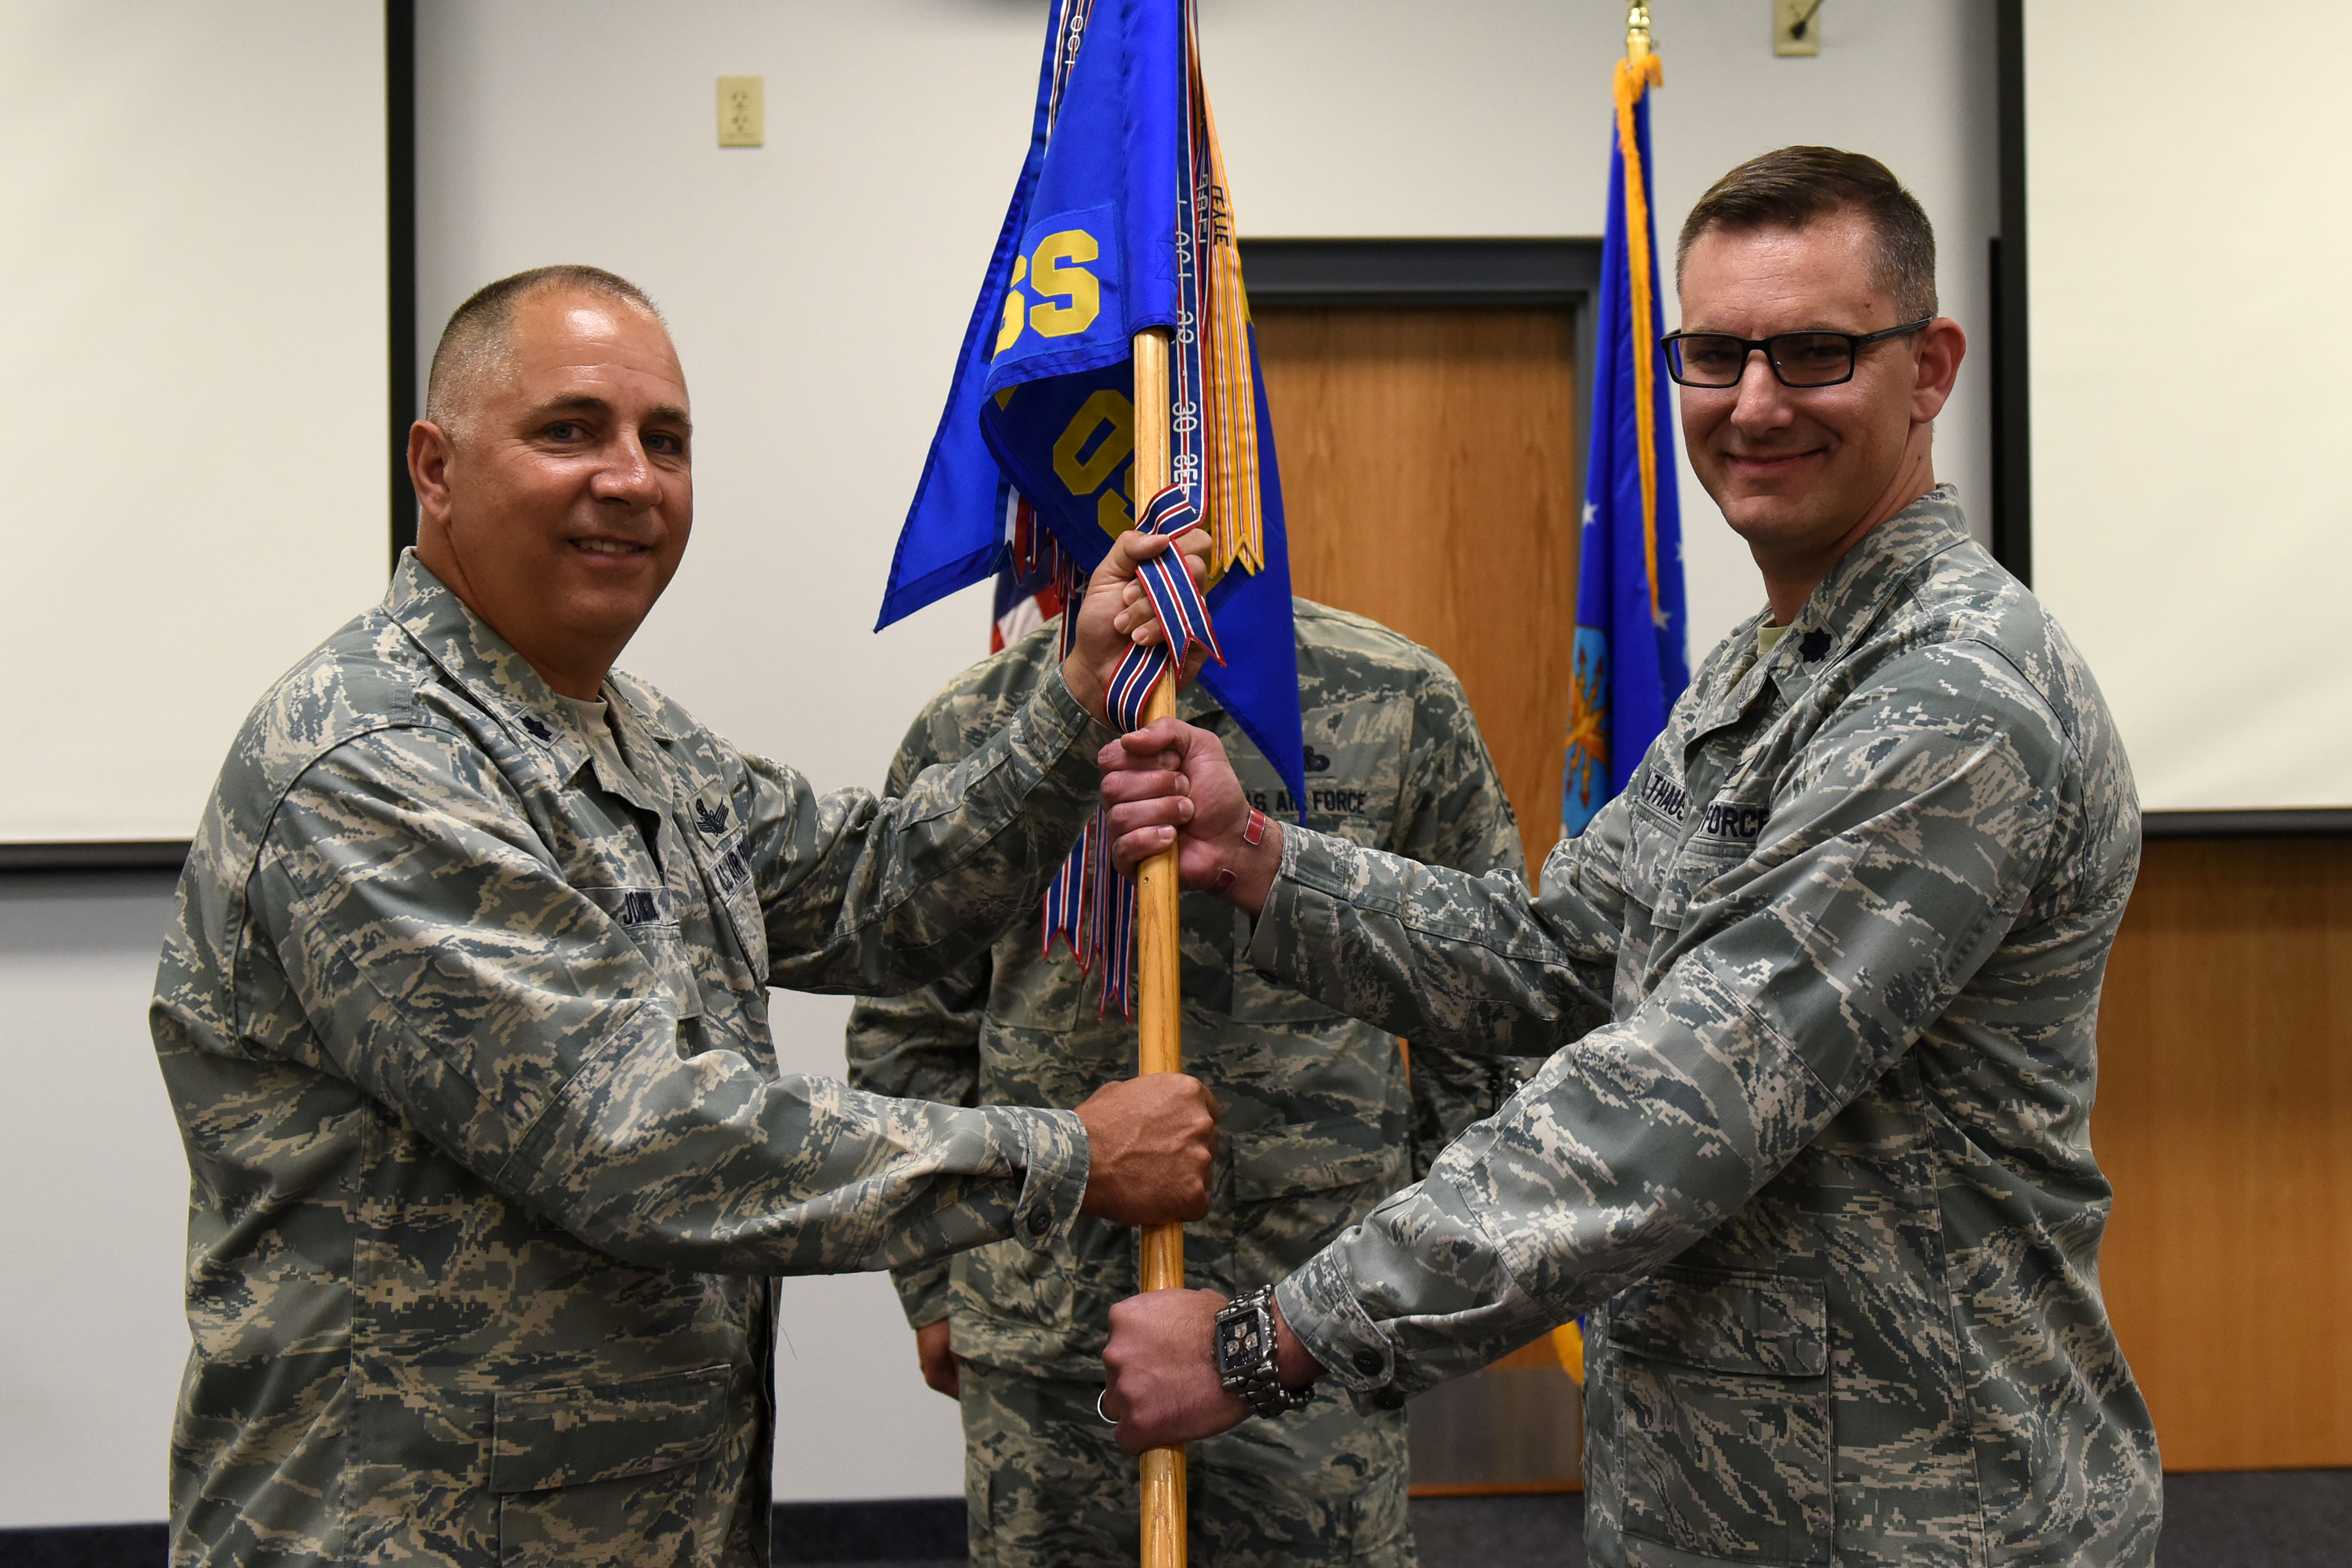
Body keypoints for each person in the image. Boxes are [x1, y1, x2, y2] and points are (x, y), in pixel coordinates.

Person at [1095, 147, 2163, 1567]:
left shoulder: (1954, 702)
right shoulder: (1773, 666)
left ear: (1932, 368)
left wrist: (1263, 1344)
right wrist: (1266, 859)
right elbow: (1559, 957)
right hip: (1736, 1499)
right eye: (1715, 354)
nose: (1757, 401)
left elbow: (1675, 1103)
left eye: (1817, 352)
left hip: (1917, 1513)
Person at [149, 264, 1222, 1568]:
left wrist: (1073, 697)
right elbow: (630, 1135)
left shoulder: (630, 732)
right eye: (570, 430)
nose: (632, 478)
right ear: (435, 468)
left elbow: (878, 895)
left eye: (666, 441)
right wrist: (1062, 1157)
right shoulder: (367, 759)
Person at [845, 600, 1538, 1566]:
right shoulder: (978, 723)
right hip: (1048, 1334)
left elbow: (1488, 1014)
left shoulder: (1398, 698)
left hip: (1312, 1327)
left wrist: (1413, 1283)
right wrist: (933, 1285)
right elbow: (911, 1021)